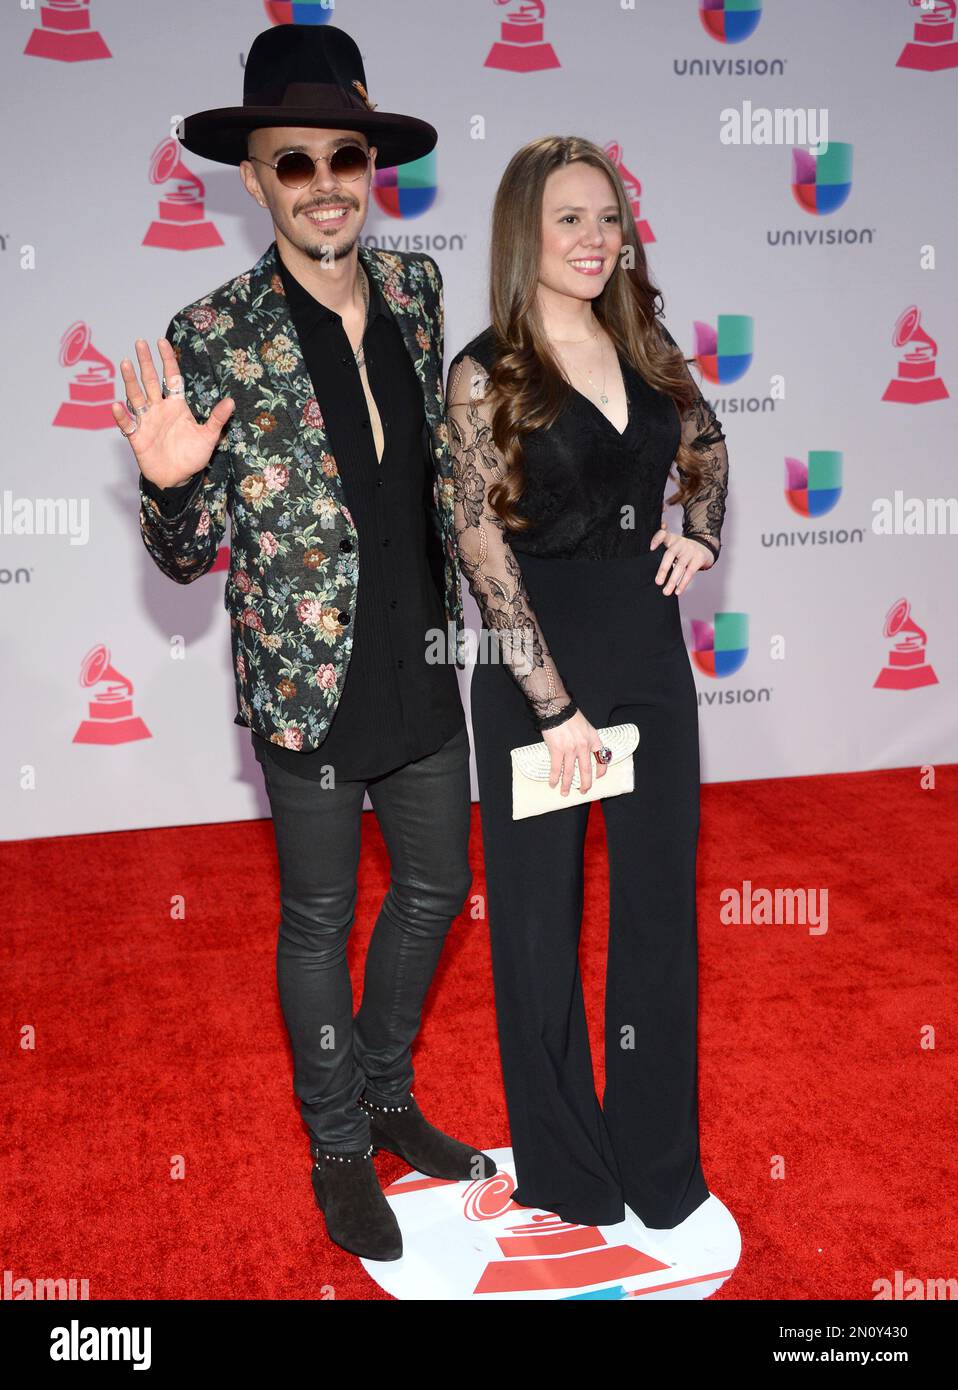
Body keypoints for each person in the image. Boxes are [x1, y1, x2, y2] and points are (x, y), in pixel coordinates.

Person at [115, 23, 494, 1264]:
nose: (326, 181)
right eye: (295, 162)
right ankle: (337, 1144)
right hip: (305, 681)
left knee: (437, 885)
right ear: (253, 178)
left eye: (346, 155)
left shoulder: (422, 288)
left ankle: (387, 1092)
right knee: (319, 919)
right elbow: (185, 555)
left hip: (422, 654)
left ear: (370, 163)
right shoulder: (210, 330)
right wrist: (169, 486)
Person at [445, 136, 729, 1230]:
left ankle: (661, 1166)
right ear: (526, 231)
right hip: (537, 670)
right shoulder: (485, 369)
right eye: (569, 218)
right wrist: (552, 706)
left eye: (607, 217)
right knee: (538, 923)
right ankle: (568, 1165)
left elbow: (703, 438)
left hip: (649, 658)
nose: (594, 238)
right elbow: (479, 546)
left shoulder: (643, 344)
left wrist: (698, 531)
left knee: (658, 915)